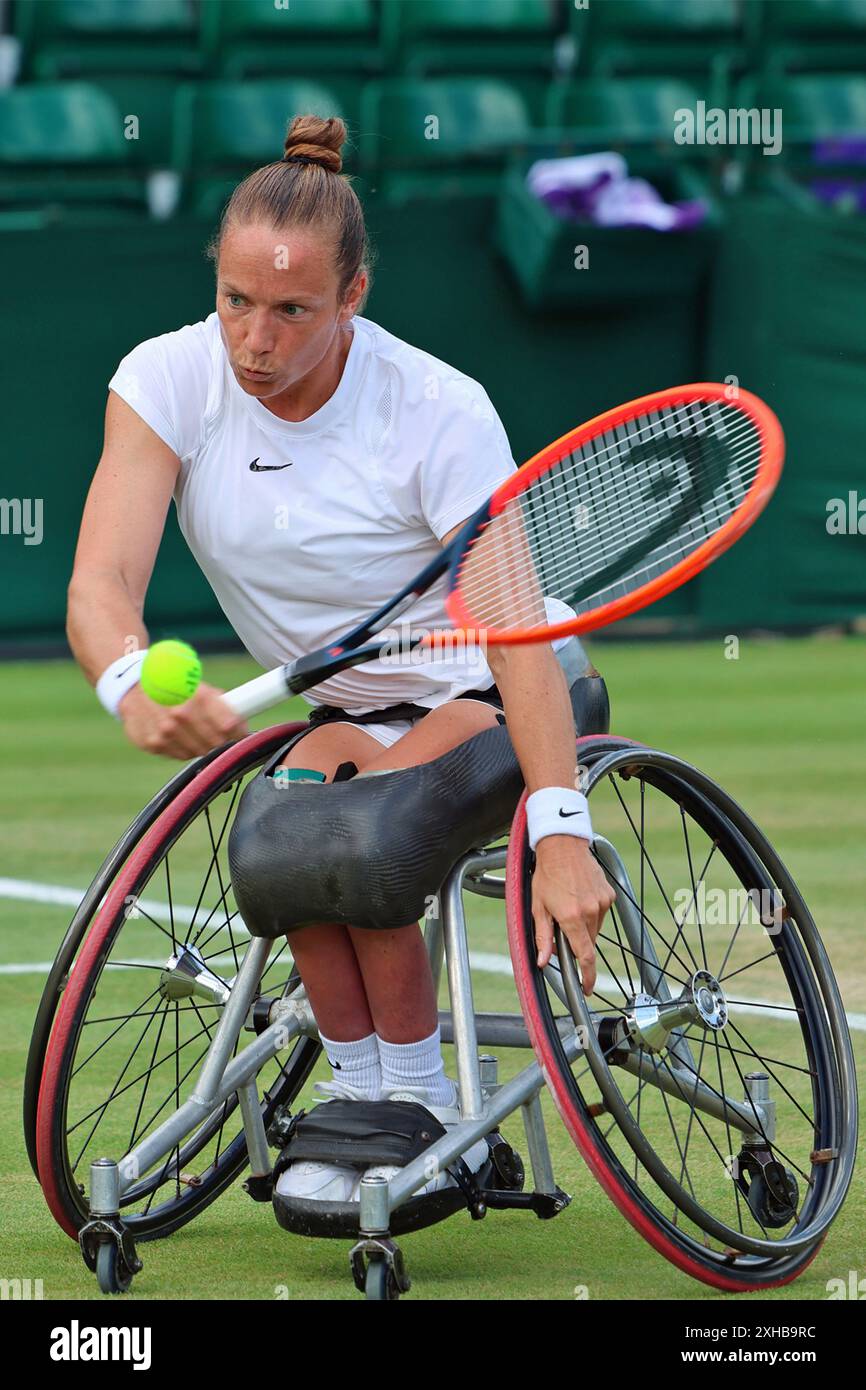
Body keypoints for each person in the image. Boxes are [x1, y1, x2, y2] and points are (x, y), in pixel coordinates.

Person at [67, 114, 615, 1205]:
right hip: (347, 703)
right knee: (285, 833)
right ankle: (355, 1105)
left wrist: (561, 828)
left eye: (291, 311)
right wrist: (126, 681)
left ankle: (424, 1104)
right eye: (234, 301)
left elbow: (514, 633)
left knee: (361, 830)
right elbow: (102, 588)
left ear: (352, 297)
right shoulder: (166, 378)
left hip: (496, 688)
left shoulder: (437, 410)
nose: (253, 341)